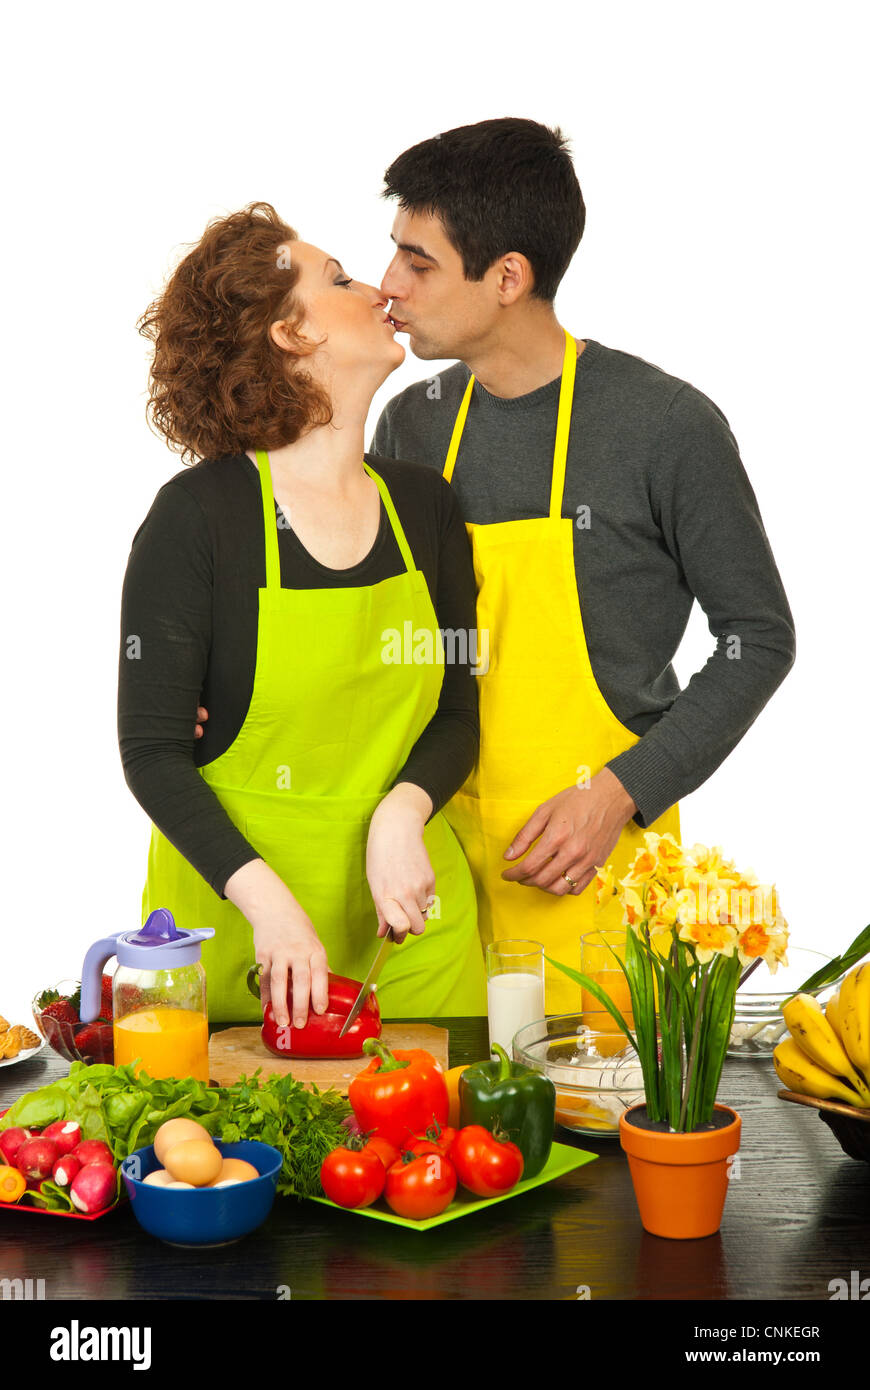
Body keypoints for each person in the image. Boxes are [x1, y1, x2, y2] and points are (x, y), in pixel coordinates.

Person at [369, 117, 797, 1010]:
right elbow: (376, 626)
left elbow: (758, 637)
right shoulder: (410, 425)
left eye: (419, 262)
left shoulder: (665, 426)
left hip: (593, 875)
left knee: (589, 1137)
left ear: (508, 278)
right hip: (426, 868)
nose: (388, 286)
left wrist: (620, 793)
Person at [119, 201, 487, 1027]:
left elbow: (458, 712)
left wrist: (403, 812)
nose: (377, 289)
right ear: (294, 334)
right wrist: (272, 912)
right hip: (249, 943)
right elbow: (152, 751)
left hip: (413, 933)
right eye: (340, 279)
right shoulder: (198, 518)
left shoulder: (425, 507)